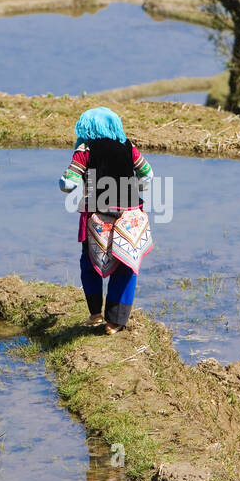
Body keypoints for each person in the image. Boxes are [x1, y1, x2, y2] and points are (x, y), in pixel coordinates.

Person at [59, 107, 154, 334]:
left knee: (90, 261)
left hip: (97, 216)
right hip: (129, 215)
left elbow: (68, 183)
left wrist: (65, 183)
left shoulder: (85, 149)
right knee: (126, 265)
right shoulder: (129, 146)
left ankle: (95, 313)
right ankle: (114, 322)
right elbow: (148, 175)